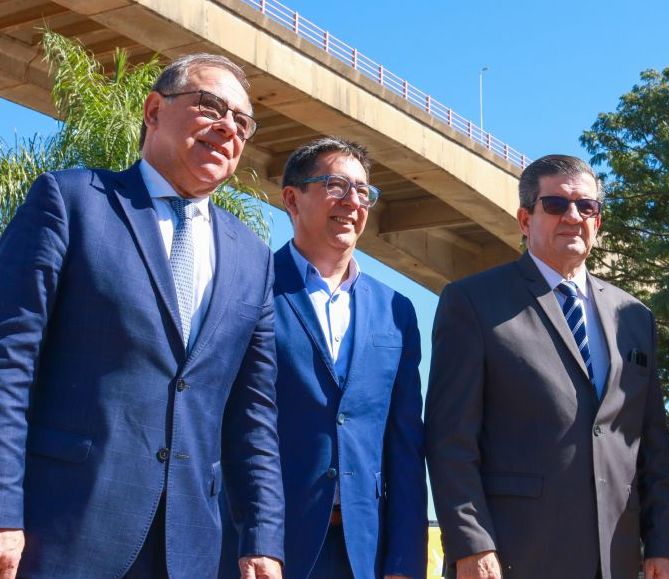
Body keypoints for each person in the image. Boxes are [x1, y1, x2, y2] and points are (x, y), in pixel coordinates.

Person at [0, 54, 283, 578]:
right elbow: (8, 365)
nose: (228, 128)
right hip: (61, 533)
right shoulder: (70, 201)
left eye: (242, 123)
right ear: (154, 110)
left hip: (191, 546)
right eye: (210, 106)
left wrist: (263, 538)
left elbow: (254, 413)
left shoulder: (254, 256)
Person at [425, 154, 669, 579]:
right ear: (525, 219)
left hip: (616, 559)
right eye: (556, 205)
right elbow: (450, 438)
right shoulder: (472, 302)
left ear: (597, 222)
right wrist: (470, 542)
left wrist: (663, 546)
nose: (573, 216)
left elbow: (652, 444)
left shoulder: (635, 316)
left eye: (587, 206)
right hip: (512, 555)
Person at [222, 137, 427, 579]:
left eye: (363, 191)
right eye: (336, 185)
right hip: (263, 548)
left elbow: (405, 446)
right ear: (292, 199)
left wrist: (405, 559)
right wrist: (254, 536)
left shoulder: (397, 310)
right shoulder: (248, 286)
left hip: (365, 553)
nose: (353, 201)